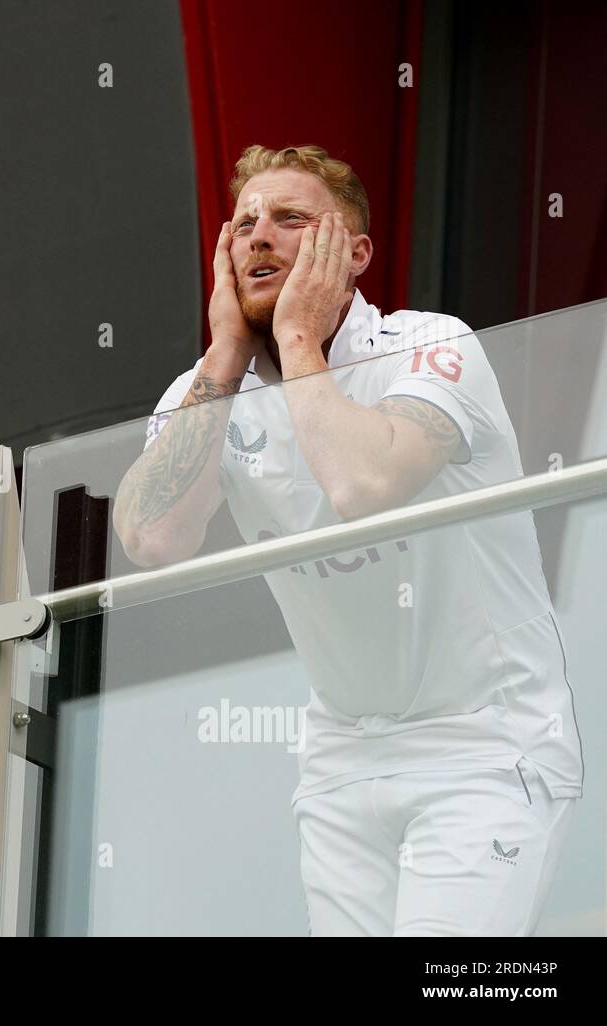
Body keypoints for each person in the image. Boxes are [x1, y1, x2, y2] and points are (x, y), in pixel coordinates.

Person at [113, 144, 583, 936]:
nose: (259, 236)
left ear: (355, 253)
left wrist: (297, 339)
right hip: (341, 755)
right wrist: (228, 350)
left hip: (488, 740)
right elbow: (150, 537)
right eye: (244, 224)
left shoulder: (432, 344)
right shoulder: (206, 388)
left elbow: (363, 485)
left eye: (291, 219)